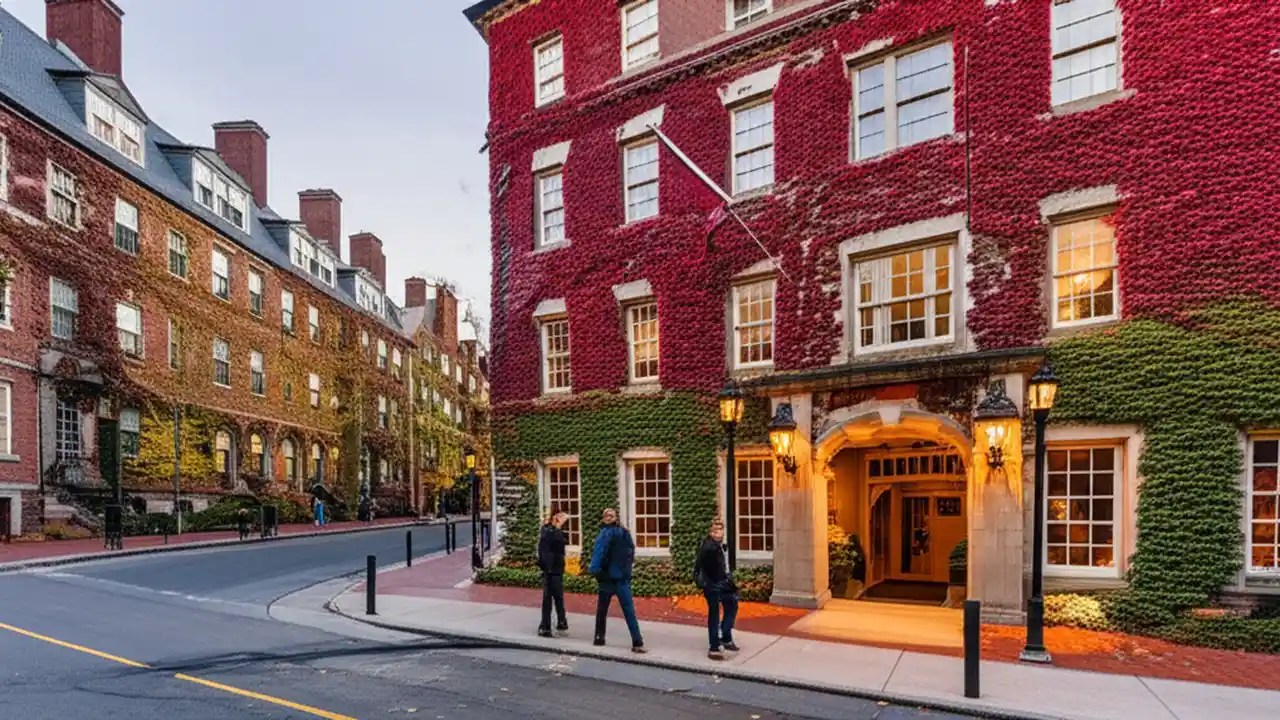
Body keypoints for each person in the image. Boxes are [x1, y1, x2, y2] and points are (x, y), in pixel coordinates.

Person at [587, 507, 646, 653]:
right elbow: (630, 553)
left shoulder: (604, 533)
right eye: (606, 515)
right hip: (622, 578)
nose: (608, 517)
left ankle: (599, 637)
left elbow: (598, 553)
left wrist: (595, 571)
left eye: (610, 515)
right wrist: (626, 570)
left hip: (608, 578)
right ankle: (637, 641)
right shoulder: (625, 533)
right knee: (628, 610)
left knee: (602, 610)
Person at [694, 519, 739, 660]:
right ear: (711, 532)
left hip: (720, 582)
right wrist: (725, 582)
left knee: (731, 603)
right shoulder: (709, 548)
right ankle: (714, 646)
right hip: (712, 584)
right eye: (715, 530)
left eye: (720, 529)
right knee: (714, 613)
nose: (719, 533)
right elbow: (712, 570)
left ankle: (725, 637)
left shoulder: (717, 545)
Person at [536, 510, 570, 637]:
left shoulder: (556, 532)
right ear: (556, 518)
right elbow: (546, 549)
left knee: (558, 597)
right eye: (562, 519)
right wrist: (546, 567)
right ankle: (546, 626)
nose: (563, 522)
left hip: (556, 568)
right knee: (548, 599)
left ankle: (561, 621)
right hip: (550, 569)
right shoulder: (548, 532)